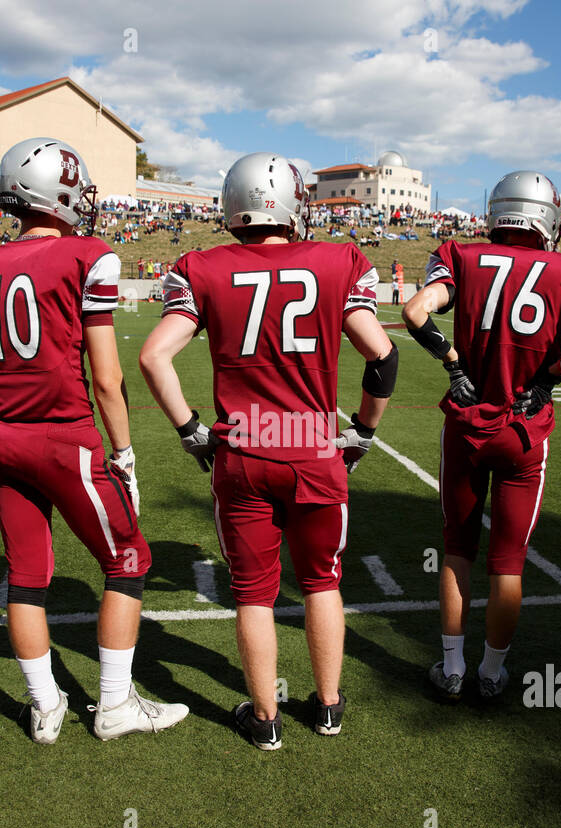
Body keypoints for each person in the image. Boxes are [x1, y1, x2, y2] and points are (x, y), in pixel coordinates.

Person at [140, 152, 396, 750]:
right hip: (312, 451)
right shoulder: (337, 261)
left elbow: (154, 357)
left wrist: (190, 430)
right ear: (291, 203)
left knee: (253, 593)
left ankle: (265, 719)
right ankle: (329, 708)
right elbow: (383, 357)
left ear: (233, 205)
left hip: (243, 454)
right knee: (323, 584)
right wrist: (362, 430)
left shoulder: (200, 267)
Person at [0, 137, 188, 743]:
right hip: (66, 438)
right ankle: (113, 706)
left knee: (26, 574)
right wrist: (125, 451)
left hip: (3, 436)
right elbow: (106, 377)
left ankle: (45, 705)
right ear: (55, 191)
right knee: (129, 559)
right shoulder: (87, 256)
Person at [401, 170, 561, 701]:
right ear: (548, 216)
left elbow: (414, 312)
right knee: (508, 562)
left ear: (497, 211)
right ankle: (492, 673)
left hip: (466, 427)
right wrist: (553, 374)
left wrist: (454, 365)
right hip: (525, 431)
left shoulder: (460, 255)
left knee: (458, 550)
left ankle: (452, 668)